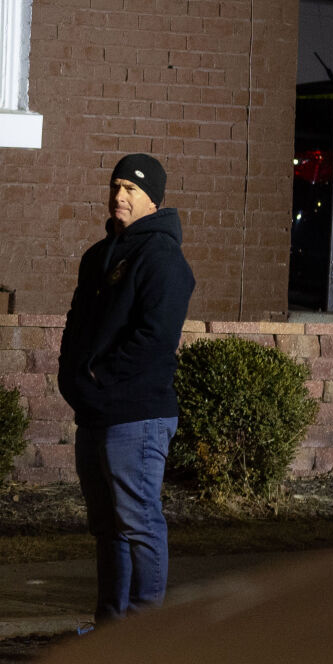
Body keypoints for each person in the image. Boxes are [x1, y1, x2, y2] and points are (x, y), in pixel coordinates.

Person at [58, 153, 196, 625]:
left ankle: (142, 637)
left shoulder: (163, 258)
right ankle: (110, 632)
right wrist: (71, 375)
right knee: (108, 529)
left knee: (138, 524)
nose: (119, 196)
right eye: (115, 186)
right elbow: (77, 325)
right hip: (96, 413)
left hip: (138, 415)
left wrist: (100, 377)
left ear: (153, 198)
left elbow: (155, 337)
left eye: (131, 189)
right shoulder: (98, 257)